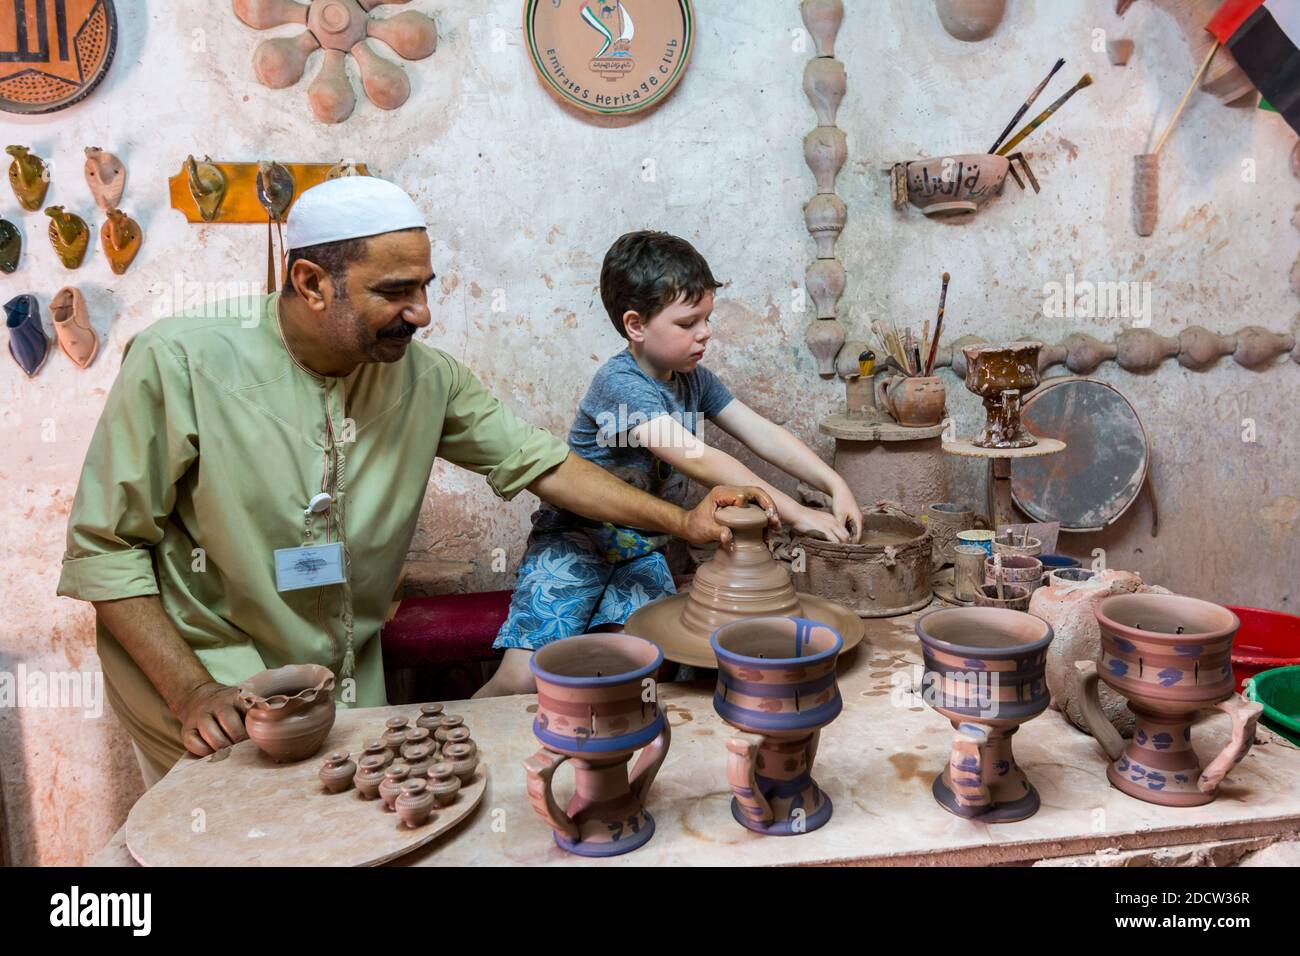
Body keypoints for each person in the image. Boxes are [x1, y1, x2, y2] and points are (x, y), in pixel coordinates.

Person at [56, 180, 772, 785]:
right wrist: (189, 691)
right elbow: (105, 548)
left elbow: (545, 465)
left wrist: (682, 524)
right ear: (310, 284)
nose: (423, 313)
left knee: (352, 833)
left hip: (339, 677)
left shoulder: (426, 379)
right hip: (208, 678)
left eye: (424, 287)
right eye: (394, 291)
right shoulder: (180, 360)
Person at [477, 230, 861, 697]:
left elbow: (761, 432)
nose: (705, 333)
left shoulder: (693, 380)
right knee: (522, 679)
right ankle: (460, 745)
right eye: (687, 323)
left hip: (641, 551)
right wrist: (799, 514)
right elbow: (697, 458)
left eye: (707, 319)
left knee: (638, 672)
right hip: (576, 541)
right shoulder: (619, 384)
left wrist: (833, 483)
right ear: (635, 325)